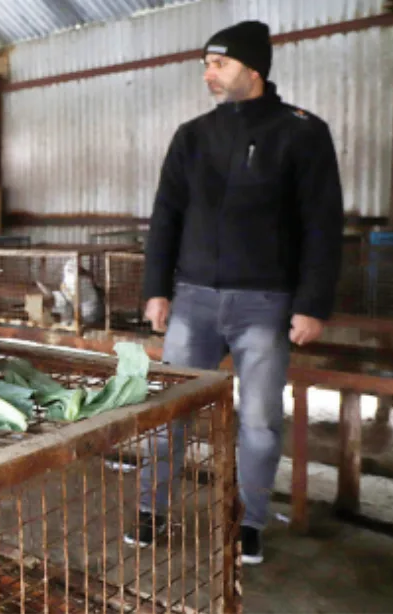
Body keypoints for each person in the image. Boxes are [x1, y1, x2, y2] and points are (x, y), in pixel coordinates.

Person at [131, 20, 344, 565]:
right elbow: (166, 217)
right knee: (167, 410)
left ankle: (249, 522)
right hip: (193, 300)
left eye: (218, 64)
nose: (208, 74)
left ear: (253, 70)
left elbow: (322, 223)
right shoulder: (192, 136)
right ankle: (152, 509)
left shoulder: (301, 133)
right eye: (206, 64)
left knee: (259, 420)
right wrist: (156, 290)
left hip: (265, 304)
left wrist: (312, 303)